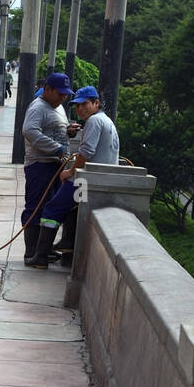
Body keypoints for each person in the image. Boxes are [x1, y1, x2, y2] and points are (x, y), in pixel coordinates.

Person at [28, 85, 119, 266]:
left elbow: (86, 152)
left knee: (52, 210)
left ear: (96, 103)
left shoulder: (94, 122)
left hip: (84, 180)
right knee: (73, 208)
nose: (80, 109)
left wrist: (69, 173)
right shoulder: (106, 121)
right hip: (98, 180)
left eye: (84, 104)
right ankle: (67, 249)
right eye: (77, 106)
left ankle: (41, 257)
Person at [21, 71, 73, 265]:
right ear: (47, 89)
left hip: (55, 165)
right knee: (36, 207)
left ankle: (44, 250)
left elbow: (51, 128)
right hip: (39, 165)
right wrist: (56, 148)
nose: (63, 97)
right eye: (60, 93)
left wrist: (67, 130)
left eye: (65, 94)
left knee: (49, 209)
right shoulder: (38, 107)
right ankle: (31, 253)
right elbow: (29, 130)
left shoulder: (57, 107)